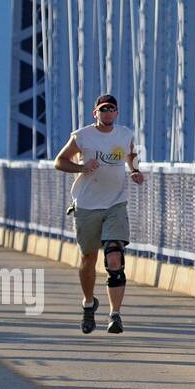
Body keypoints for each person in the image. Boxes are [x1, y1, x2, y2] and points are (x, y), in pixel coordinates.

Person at [53, 94, 144, 334]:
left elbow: (130, 154)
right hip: (86, 205)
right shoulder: (82, 136)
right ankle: (88, 303)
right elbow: (59, 161)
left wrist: (134, 170)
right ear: (95, 113)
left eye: (111, 109)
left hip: (116, 204)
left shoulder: (124, 134)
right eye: (103, 109)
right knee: (88, 259)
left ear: (117, 112)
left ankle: (115, 315)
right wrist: (82, 167)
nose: (107, 113)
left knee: (114, 257)